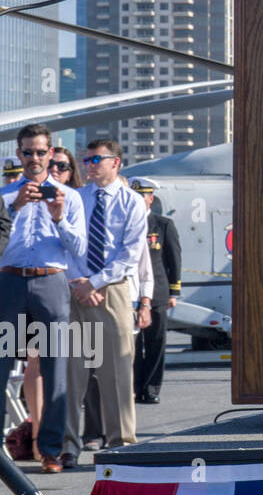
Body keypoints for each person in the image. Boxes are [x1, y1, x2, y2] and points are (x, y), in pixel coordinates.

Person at [0, 124, 85, 473]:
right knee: (2, 363)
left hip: (50, 281)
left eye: (40, 151)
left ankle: (50, 449)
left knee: (55, 367)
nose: (34, 158)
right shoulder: (5, 196)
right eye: (27, 152)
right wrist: (17, 207)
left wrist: (59, 217)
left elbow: (79, 249)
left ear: (51, 154)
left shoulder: (70, 197)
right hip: (9, 281)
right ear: (19, 155)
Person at [61, 139, 150, 469]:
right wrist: (79, 282)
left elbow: (129, 254)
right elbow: (65, 244)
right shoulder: (76, 198)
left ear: (117, 162)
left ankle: (120, 442)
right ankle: (69, 444)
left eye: (97, 159)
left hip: (112, 290)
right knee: (72, 372)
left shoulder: (132, 202)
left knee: (116, 372)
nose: (89, 164)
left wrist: (94, 283)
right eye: (86, 159)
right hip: (75, 289)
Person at [130, 177, 182, 403]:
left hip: (158, 293)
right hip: (131, 292)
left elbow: (174, 258)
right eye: (134, 196)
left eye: (142, 196)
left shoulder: (163, 224)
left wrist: (174, 292)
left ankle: (151, 388)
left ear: (150, 199)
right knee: (132, 344)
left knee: (155, 342)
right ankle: (134, 386)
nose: (138, 200)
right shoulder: (126, 224)